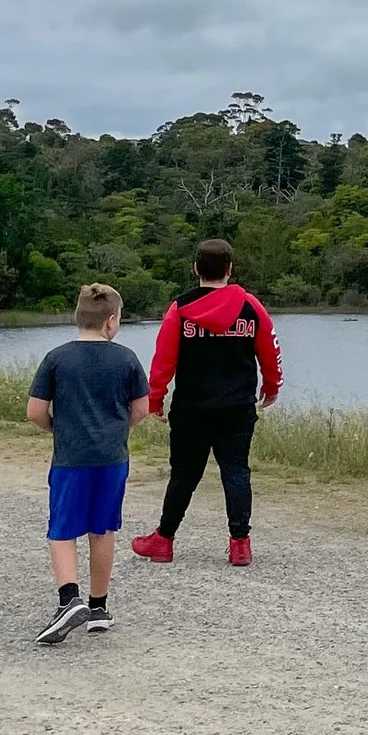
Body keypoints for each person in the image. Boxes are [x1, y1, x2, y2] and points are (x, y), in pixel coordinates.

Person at [130, 238, 282, 566]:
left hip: (191, 409)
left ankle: (164, 541)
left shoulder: (180, 309)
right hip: (237, 408)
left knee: (184, 474)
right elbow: (270, 352)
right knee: (236, 471)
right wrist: (272, 388)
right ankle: (240, 544)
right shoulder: (252, 307)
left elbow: (163, 360)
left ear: (195, 269)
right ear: (230, 269)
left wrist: (155, 399)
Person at [27, 282, 150, 644]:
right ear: (111, 321)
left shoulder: (57, 357)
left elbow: (35, 411)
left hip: (70, 459)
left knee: (63, 529)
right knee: (103, 529)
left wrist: (58, 427)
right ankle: (98, 608)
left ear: (78, 318)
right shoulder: (126, 358)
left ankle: (69, 600)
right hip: (112, 460)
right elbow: (141, 408)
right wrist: (115, 428)